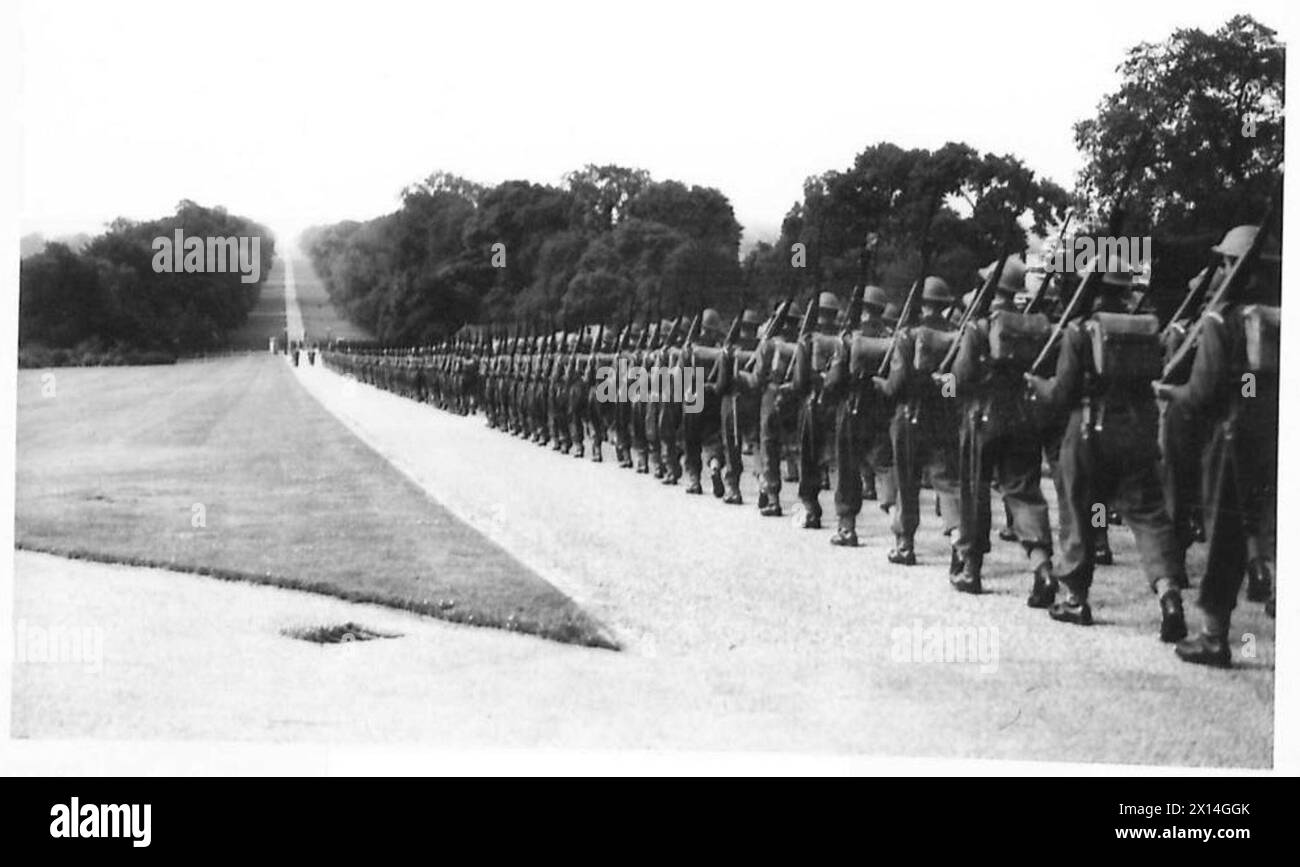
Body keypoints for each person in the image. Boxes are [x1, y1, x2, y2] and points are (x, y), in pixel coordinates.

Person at [1026, 257, 1188, 640]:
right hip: (1134, 433)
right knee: (1147, 515)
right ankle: (1169, 595)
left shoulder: (1079, 332)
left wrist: (1036, 384)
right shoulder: (1147, 329)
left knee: (1080, 512)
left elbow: (1062, 394)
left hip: (1088, 434)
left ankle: (1077, 598)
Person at [1158, 225, 1280, 666]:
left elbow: (1202, 392)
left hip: (1230, 438)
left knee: (1226, 537)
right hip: (1274, 433)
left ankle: (1213, 635)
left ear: (1231, 266)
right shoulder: (1279, 316)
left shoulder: (1221, 320)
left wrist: (1171, 395)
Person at [951, 256, 1055, 599]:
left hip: (983, 417)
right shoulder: (1033, 325)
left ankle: (971, 569)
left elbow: (962, 377)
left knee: (974, 491)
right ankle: (1043, 570)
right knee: (1024, 493)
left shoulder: (978, 327)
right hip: (1024, 416)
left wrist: (944, 383)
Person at [874, 277, 961, 565]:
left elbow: (896, 385)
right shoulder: (957, 335)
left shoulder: (907, 336)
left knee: (906, 480)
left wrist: (880, 385)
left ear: (921, 305)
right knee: (946, 480)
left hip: (909, 415)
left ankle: (905, 543)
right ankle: (960, 538)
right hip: (943, 417)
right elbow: (954, 383)